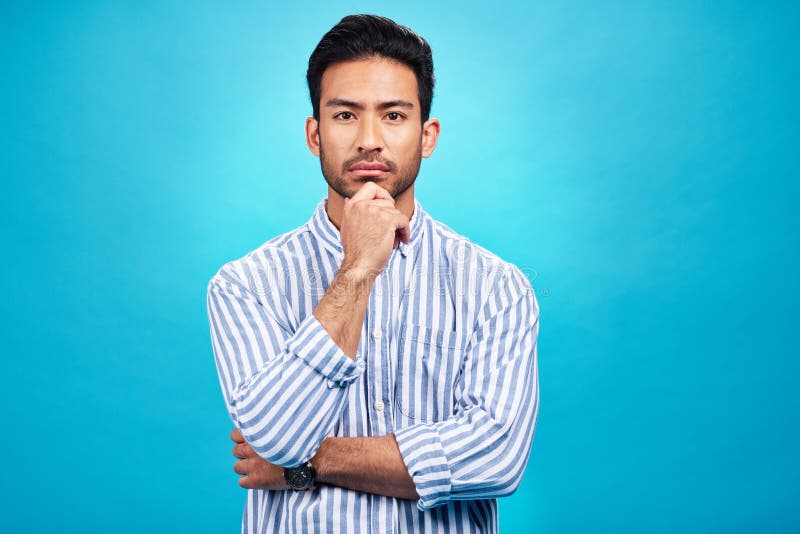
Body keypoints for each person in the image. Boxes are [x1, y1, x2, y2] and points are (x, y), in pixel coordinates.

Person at [206, 14, 540, 533]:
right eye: (345, 115)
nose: (369, 140)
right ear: (314, 134)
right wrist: (358, 268)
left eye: (393, 115)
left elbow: (496, 458)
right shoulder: (246, 285)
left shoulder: (497, 288)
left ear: (427, 136)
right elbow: (277, 437)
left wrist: (308, 465)